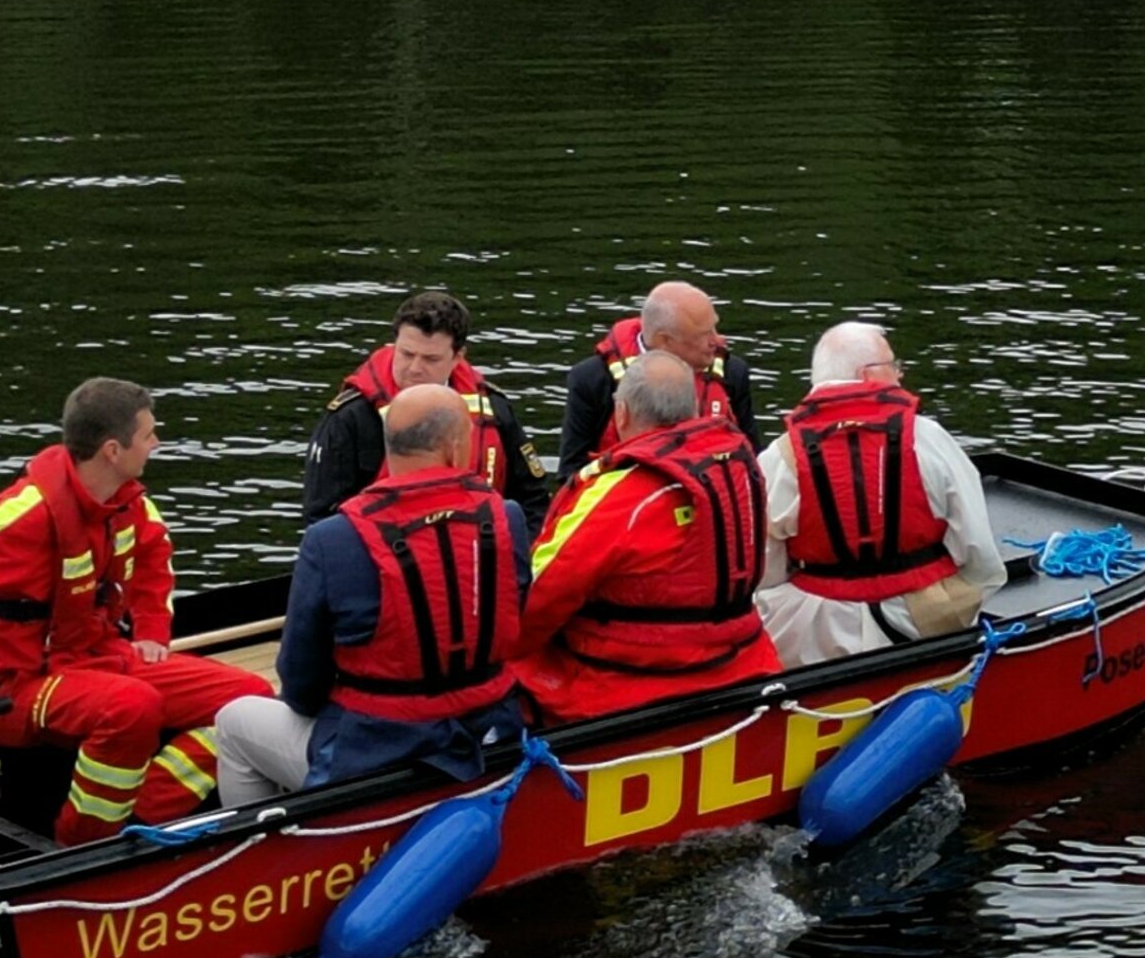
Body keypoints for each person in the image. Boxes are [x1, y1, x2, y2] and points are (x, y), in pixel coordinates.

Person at [0, 378, 270, 847]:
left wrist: (152, 629)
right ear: (113, 450)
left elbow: (155, 555)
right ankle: (84, 845)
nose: (156, 443)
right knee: (131, 706)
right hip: (16, 685)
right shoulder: (27, 515)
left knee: (247, 701)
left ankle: (144, 817)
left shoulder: (126, 502)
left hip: (97, 658)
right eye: (148, 434)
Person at [216, 384, 530, 806]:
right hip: (488, 732)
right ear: (456, 448)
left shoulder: (331, 539)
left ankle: (264, 840)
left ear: (389, 447)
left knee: (233, 722)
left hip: (376, 749)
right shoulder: (507, 518)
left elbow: (301, 684)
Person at [515, 351, 779, 723]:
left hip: (628, 685)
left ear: (621, 414)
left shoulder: (618, 494)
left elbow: (539, 598)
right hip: (743, 662)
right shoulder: (740, 470)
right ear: (694, 409)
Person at [756, 321, 1005, 668]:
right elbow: (977, 550)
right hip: (922, 622)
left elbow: (765, 569)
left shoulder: (779, 456)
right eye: (894, 365)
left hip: (815, 633)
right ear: (867, 373)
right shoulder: (929, 438)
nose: (900, 375)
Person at [301, 289, 550, 533]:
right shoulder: (351, 417)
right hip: (384, 552)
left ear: (457, 357)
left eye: (431, 359)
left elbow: (533, 500)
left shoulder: (494, 409)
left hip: (479, 549)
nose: (414, 369)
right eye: (406, 354)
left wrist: (511, 553)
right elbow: (322, 516)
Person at [557, 279, 761, 479]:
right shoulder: (593, 380)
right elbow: (571, 473)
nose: (718, 340)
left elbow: (754, 460)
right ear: (665, 340)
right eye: (704, 334)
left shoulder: (732, 373)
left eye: (715, 327)